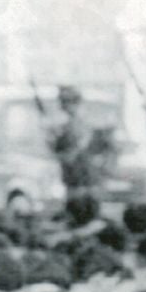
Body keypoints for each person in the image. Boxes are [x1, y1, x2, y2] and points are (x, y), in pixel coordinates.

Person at [43, 86, 109, 217]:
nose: (62, 105)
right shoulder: (71, 125)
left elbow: (71, 154)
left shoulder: (80, 125)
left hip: (83, 181)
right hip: (77, 181)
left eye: (65, 101)